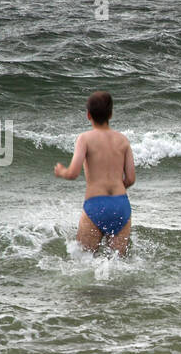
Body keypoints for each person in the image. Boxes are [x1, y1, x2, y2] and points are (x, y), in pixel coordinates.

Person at [54, 91, 135, 255]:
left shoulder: (85, 138)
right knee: (118, 265)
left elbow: (73, 173)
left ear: (88, 115)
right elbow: (131, 178)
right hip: (120, 205)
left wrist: (61, 171)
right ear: (111, 114)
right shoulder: (123, 140)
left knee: (83, 259)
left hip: (96, 205)